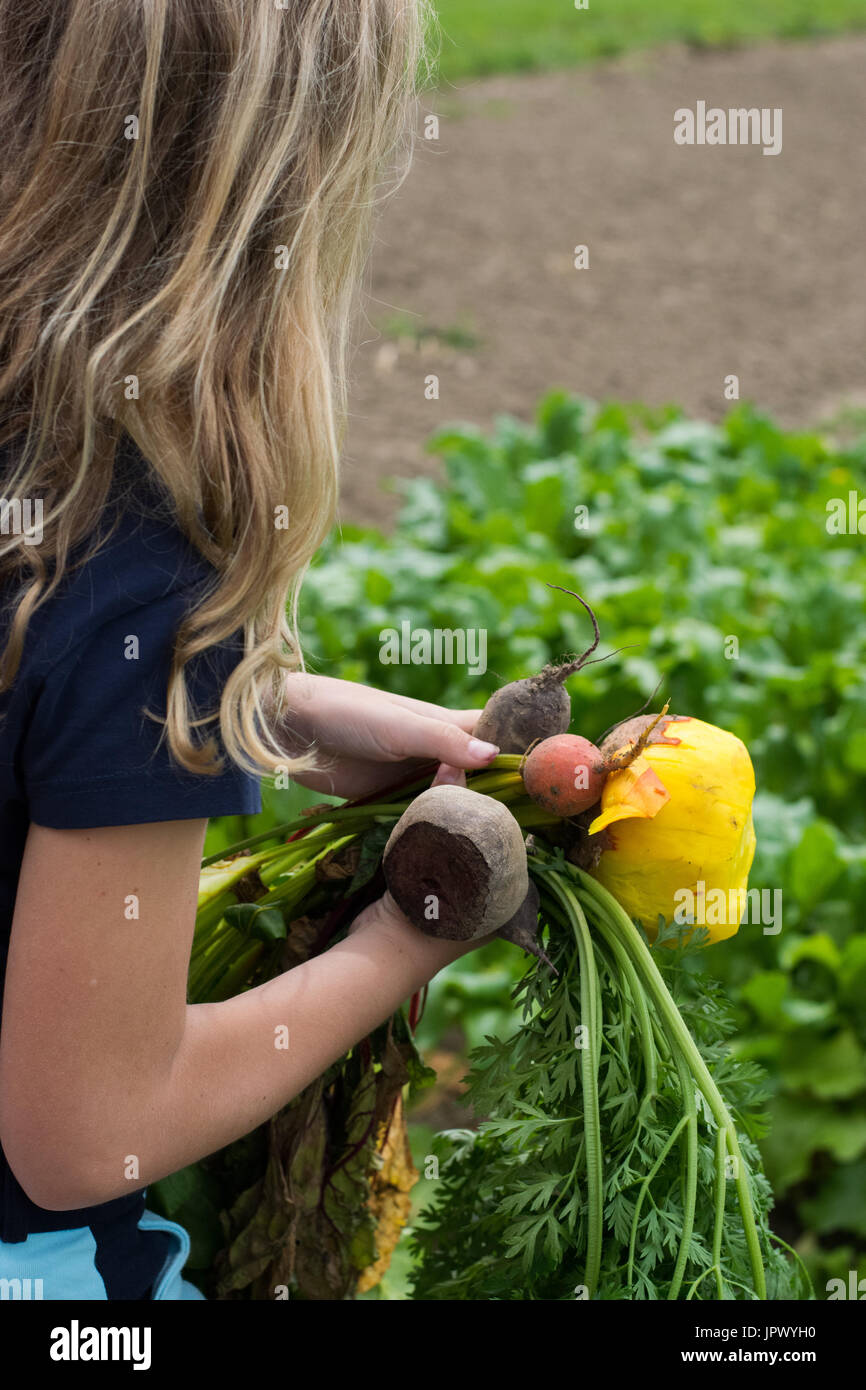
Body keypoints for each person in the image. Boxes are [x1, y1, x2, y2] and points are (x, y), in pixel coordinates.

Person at [0, 0, 498, 1301]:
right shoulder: (137, 560)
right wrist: (404, 939)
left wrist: (259, 709)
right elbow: (84, 1128)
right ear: (286, 173)